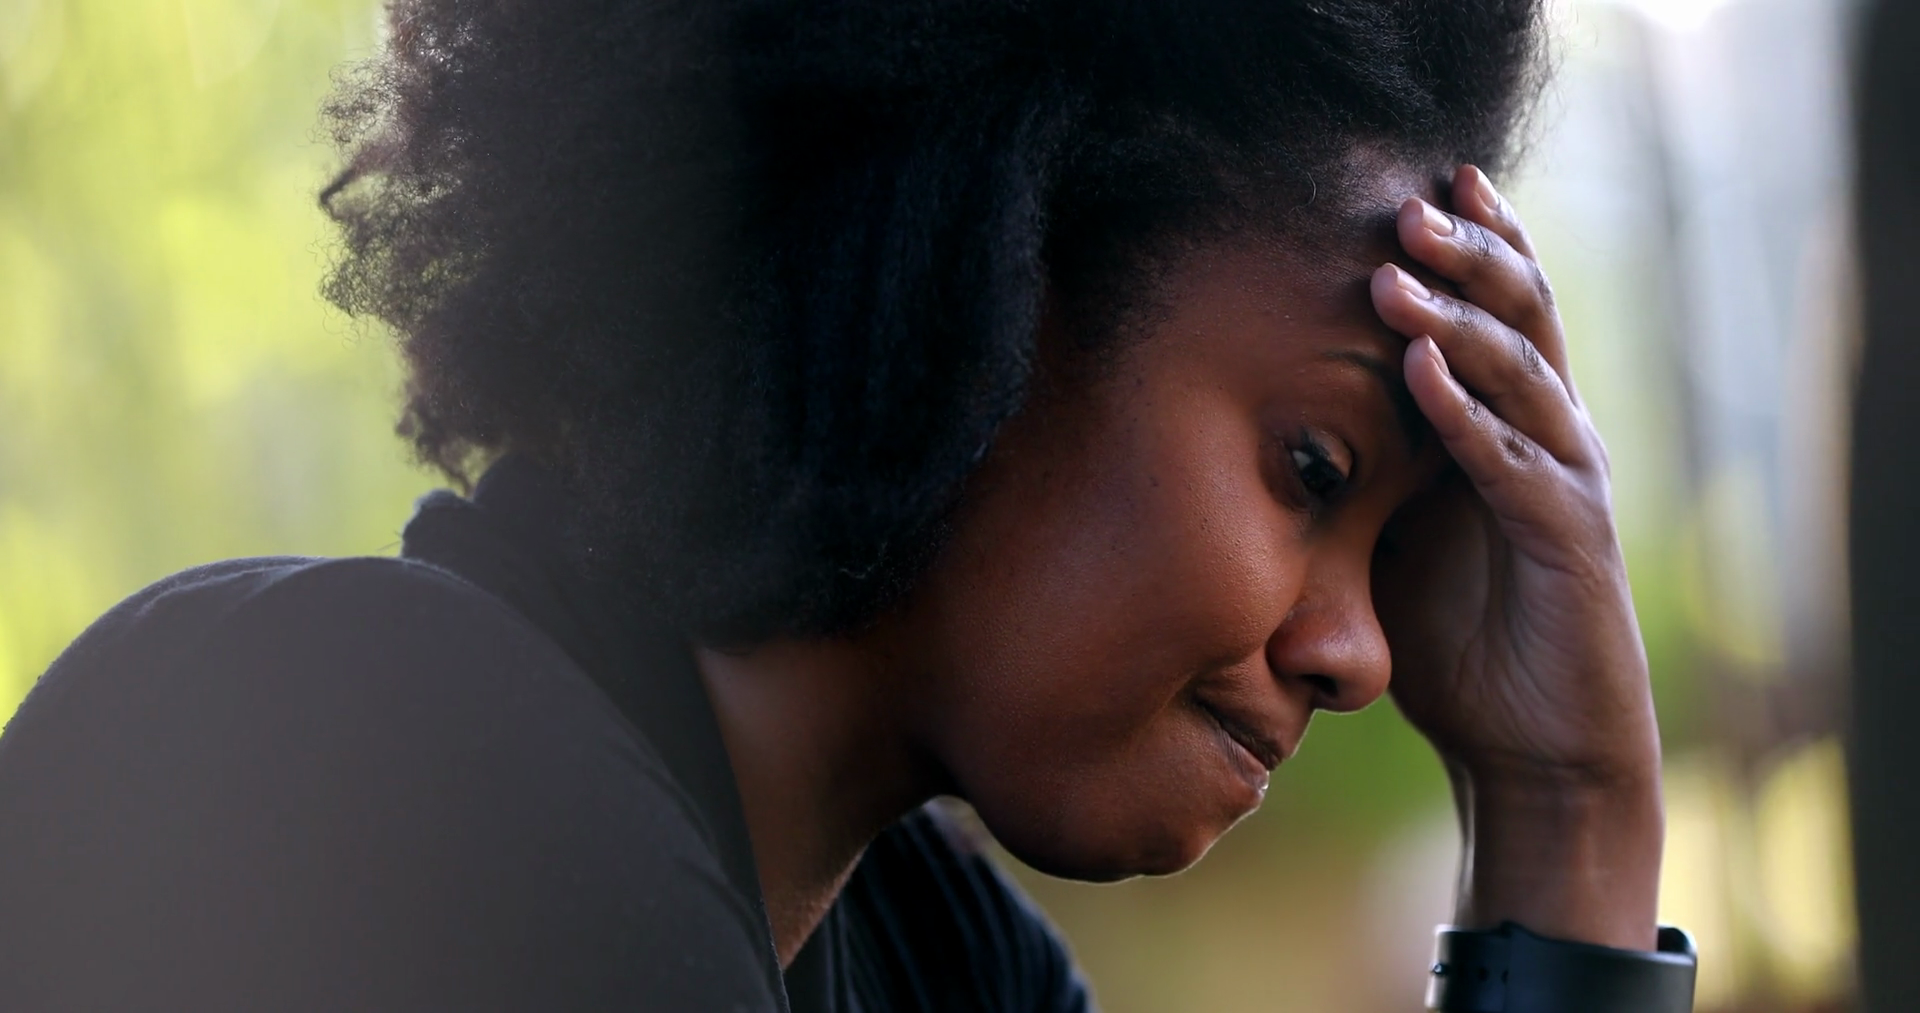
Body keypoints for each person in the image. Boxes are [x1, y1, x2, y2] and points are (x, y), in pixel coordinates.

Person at [0, 1, 1697, 1009]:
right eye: (1313, 471)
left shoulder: (944, 963)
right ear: (984, 278)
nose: (1361, 652)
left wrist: (1569, 811)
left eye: (1393, 544)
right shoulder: (352, 758)